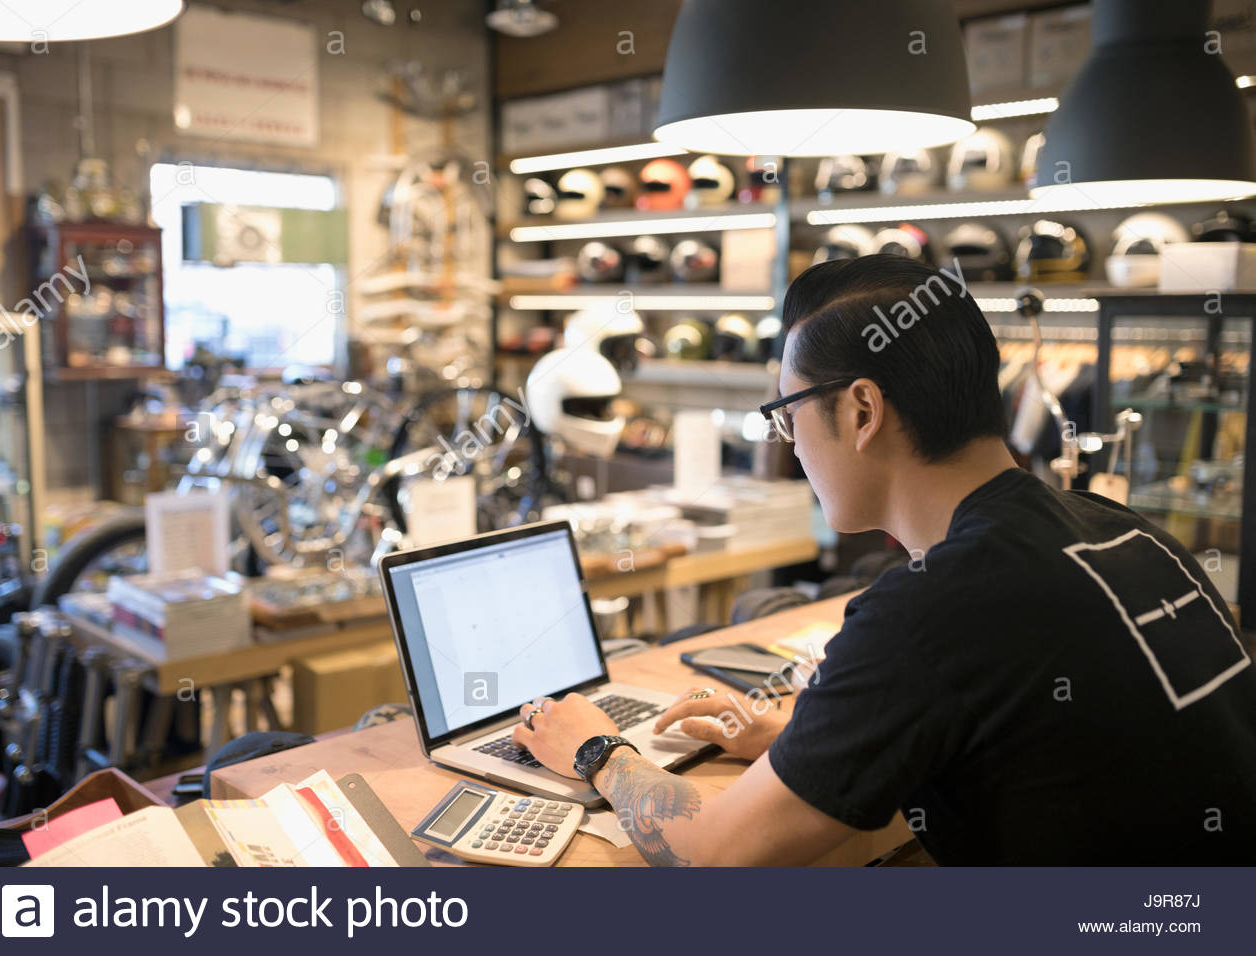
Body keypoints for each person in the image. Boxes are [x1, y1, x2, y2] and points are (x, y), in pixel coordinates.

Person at [512, 254, 1256, 865]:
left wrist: (597, 749)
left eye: (789, 415)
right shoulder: (1125, 530)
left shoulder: (932, 606)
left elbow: (713, 857)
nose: (793, 444)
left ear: (862, 412)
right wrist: (812, 738)